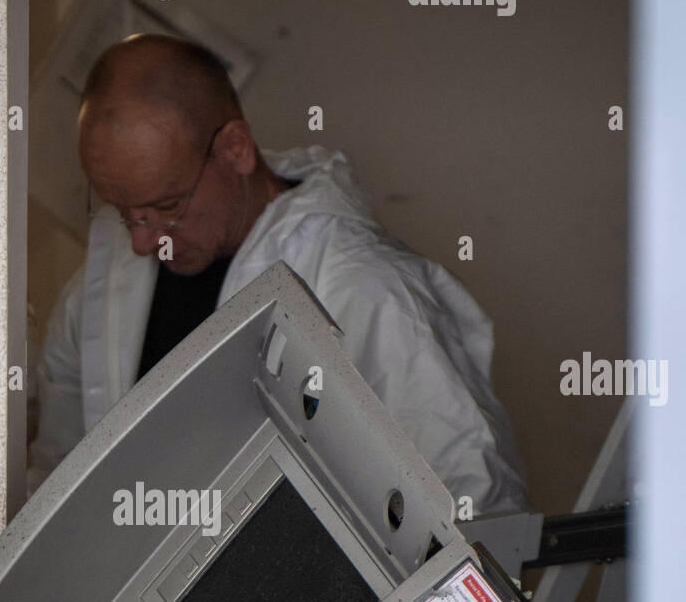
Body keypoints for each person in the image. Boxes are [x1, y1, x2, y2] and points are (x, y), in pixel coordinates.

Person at [29, 33, 527, 515]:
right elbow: (57, 483)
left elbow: (472, 501)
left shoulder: (364, 289)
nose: (141, 241)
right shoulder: (97, 294)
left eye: (167, 206)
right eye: (123, 211)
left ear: (236, 149)